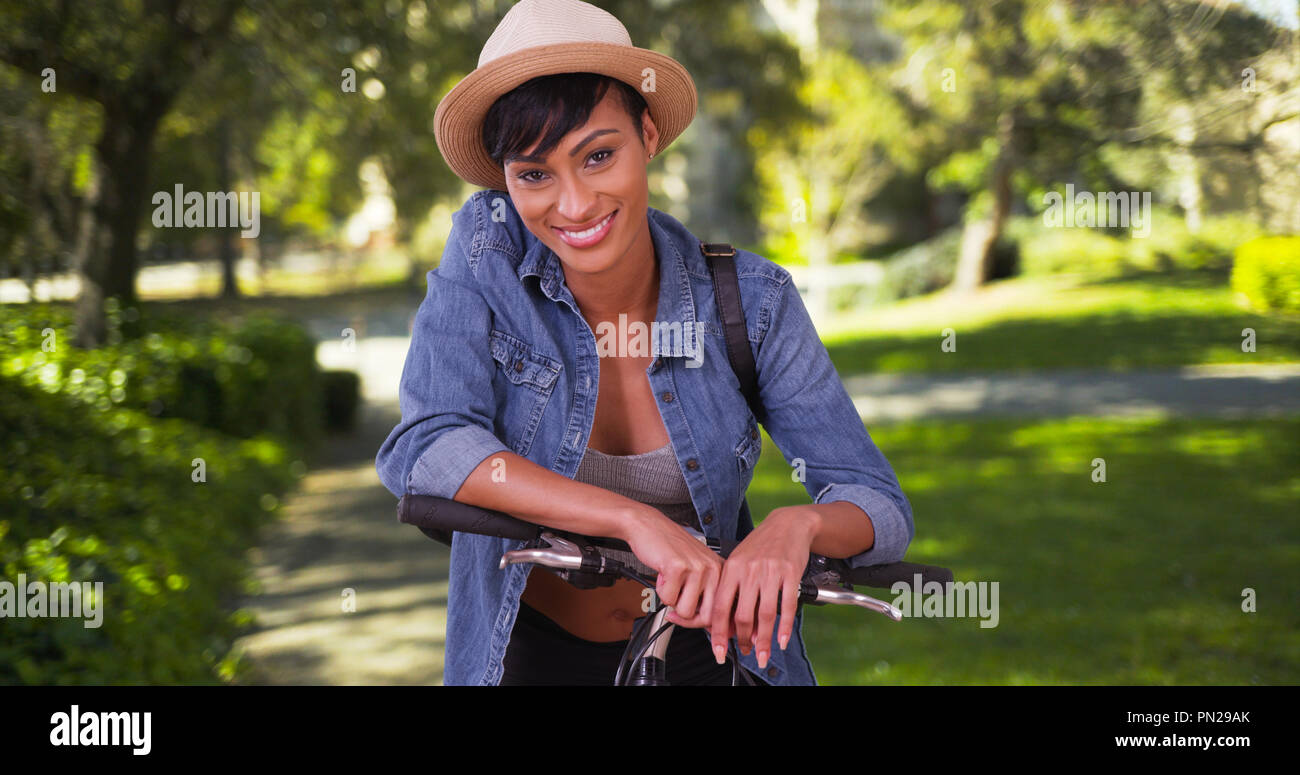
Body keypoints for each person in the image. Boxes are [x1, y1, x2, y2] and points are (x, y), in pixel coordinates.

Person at [375, 0, 914, 686]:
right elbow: (424, 448)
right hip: (525, 656)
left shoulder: (751, 300)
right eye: (533, 173)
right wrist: (633, 519)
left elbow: (878, 504)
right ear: (504, 179)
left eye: (598, 155)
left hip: (710, 655)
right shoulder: (487, 255)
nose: (572, 205)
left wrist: (794, 527)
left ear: (649, 135)